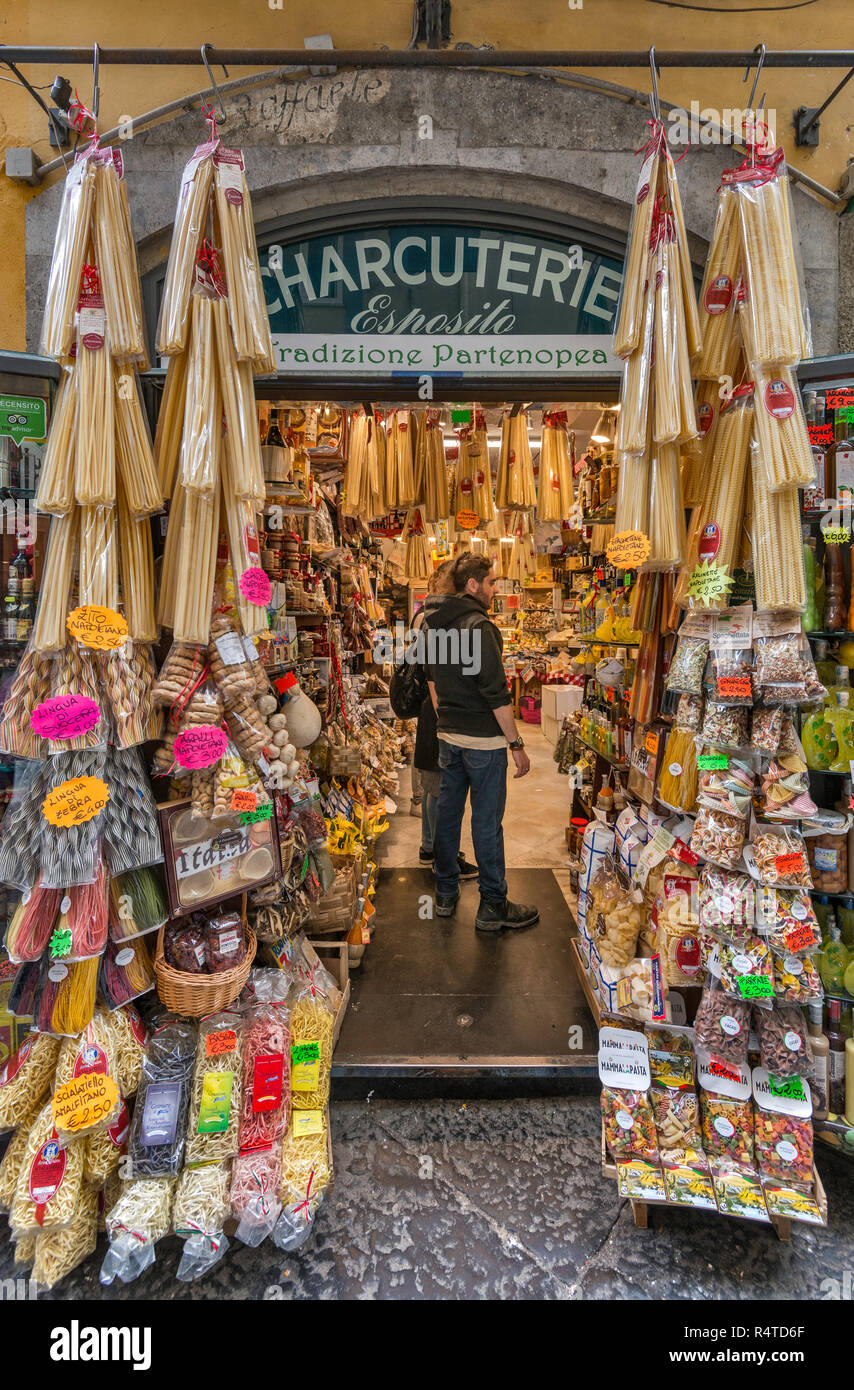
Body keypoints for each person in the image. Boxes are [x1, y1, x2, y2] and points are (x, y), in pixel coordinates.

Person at [425, 552, 539, 933]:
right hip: (483, 744)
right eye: (491, 583)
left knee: (448, 815)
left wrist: (446, 721)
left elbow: (433, 683)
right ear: (472, 585)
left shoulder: (433, 625)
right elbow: (497, 694)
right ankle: (492, 904)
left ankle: (444, 894)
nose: (495, 590)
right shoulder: (481, 628)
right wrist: (516, 743)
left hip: (448, 736)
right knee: (487, 821)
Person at [413, 560, 477, 880]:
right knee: (442, 788)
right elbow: (436, 679)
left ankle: (429, 846)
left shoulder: (428, 618)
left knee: (432, 785)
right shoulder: (440, 622)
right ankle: (444, 858)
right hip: (440, 712)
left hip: (430, 711)